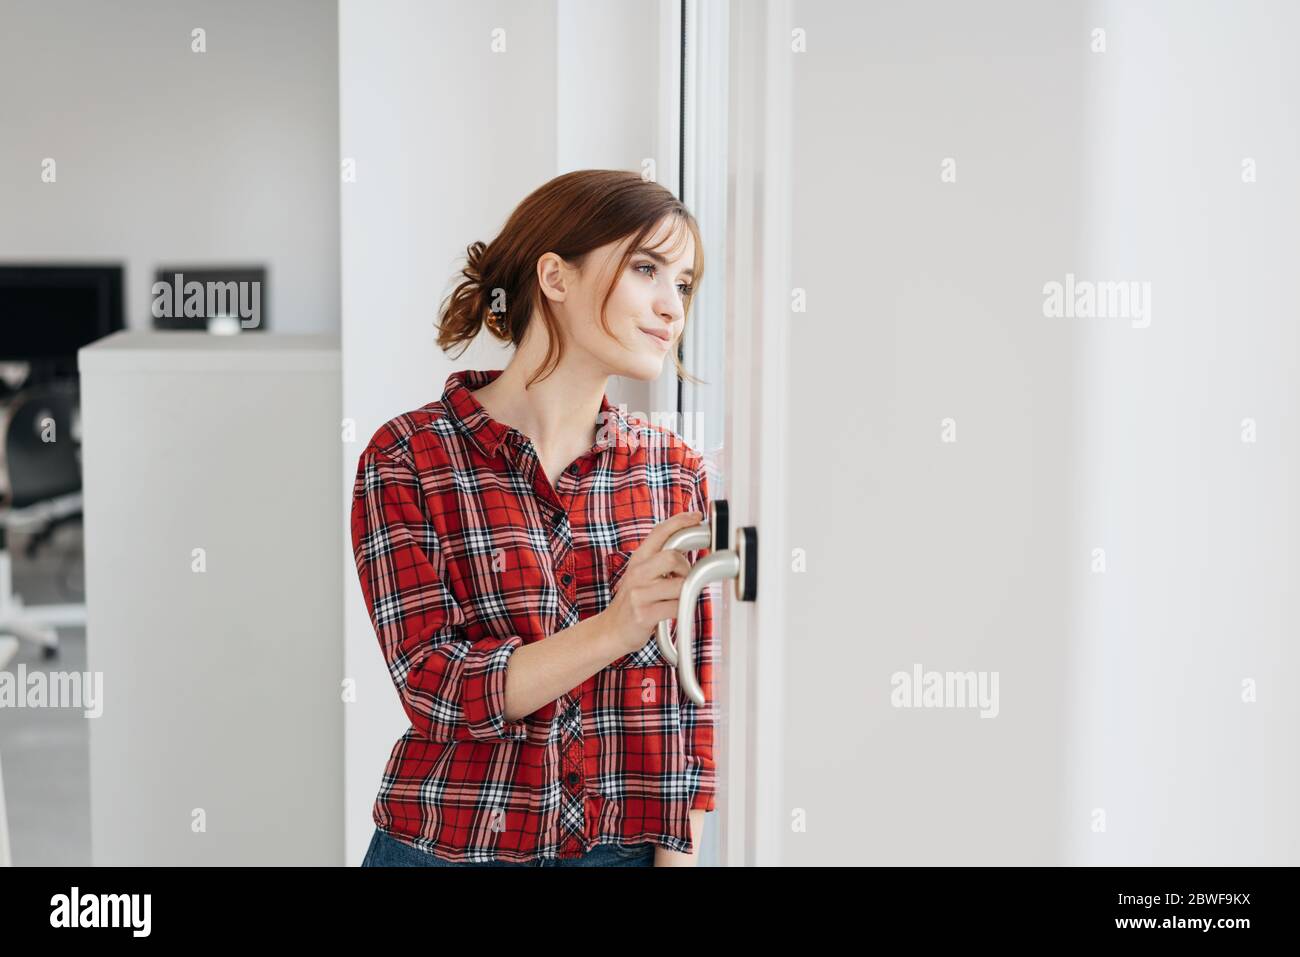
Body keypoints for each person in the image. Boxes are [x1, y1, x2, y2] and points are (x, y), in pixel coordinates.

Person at [352, 170, 715, 867]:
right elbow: (435, 685)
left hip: (622, 853)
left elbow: (695, 710)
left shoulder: (676, 473)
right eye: (648, 268)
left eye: (685, 283)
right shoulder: (408, 458)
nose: (672, 306)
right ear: (555, 275)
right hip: (446, 847)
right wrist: (616, 627)